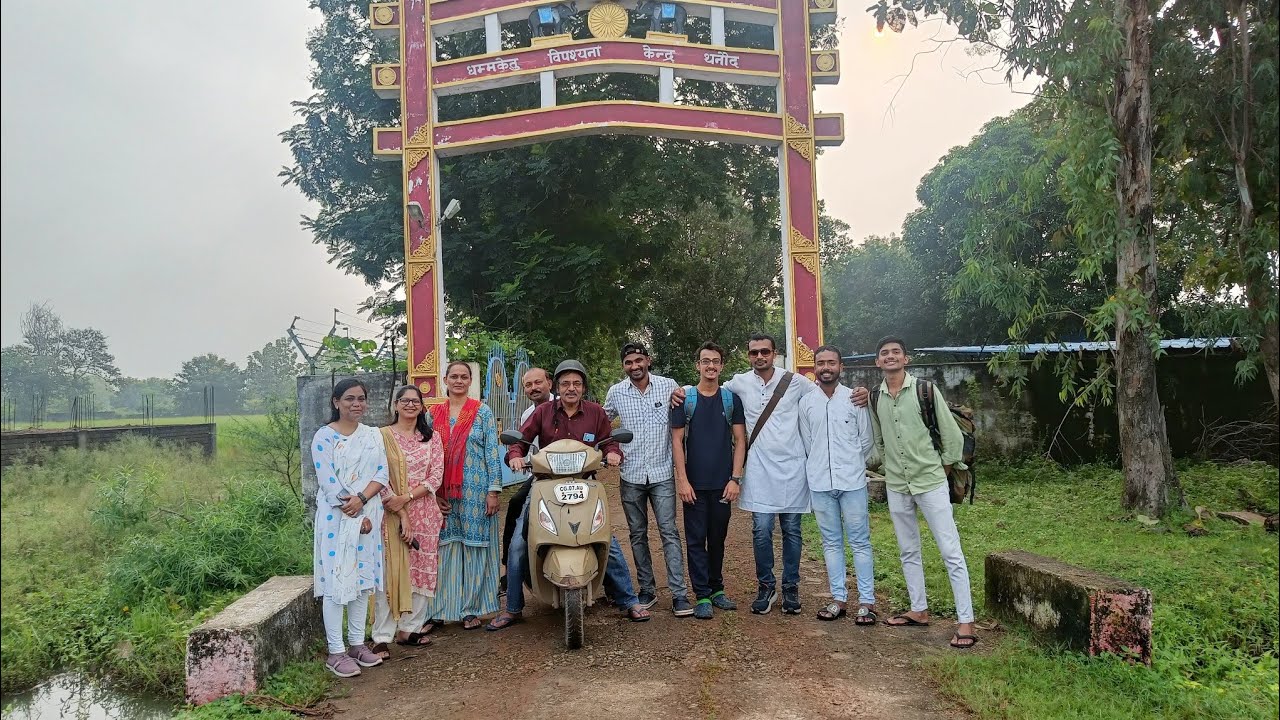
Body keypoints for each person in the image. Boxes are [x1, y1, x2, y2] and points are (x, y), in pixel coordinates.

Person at [489, 359, 652, 629]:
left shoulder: (596, 413)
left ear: (583, 387)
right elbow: (520, 440)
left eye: (576, 383)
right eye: (565, 383)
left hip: (584, 484)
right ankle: (514, 608)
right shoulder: (542, 412)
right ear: (558, 387)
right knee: (519, 544)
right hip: (545, 485)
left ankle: (628, 600)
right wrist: (516, 456)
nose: (571, 388)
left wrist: (613, 452)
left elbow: (609, 440)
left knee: (605, 538)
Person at [676, 332, 814, 615]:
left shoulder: (795, 382)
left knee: (791, 531)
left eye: (765, 352)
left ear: (774, 353)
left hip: (789, 470)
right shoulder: (736, 385)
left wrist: (860, 393)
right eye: (754, 353)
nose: (760, 357)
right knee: (760, 531)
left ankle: (789, 589)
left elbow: (825, 395)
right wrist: (678, 391)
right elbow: (684, 427)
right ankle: (762, 588)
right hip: (755, 472)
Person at [869, 336, 977, 649]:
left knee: (950, 550)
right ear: (878, 362)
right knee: (908, 549)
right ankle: (919, 610)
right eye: (884, 354)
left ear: (906, 359)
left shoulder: (924, 390)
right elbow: (879, 441)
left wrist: (942, 471)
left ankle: (966, 621)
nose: (890, 357)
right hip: (898, 484)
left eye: (895, 352)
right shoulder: (876, 395)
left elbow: (952, 437)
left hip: (930, 482)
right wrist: (887, 471)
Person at [604, 342, 692, 616]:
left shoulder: (668, 386)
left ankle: (679, 594)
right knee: (637, 534)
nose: (634, 366)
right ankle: (647, 590)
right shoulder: (616, 393)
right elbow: (602, 423)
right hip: (630, 475)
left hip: (662, 472)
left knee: (669, 532)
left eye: (639, 360)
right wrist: (613, 449)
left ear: (648, 361)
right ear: (624, 366)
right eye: (629, 362)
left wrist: (684, 393)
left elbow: (686, 402)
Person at [311, 378, 388, 677]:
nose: (356, 404)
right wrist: (353, 508)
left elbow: (382, 472)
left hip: (369, 512)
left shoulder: (372, 435)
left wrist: (363, 500)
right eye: (349, 399)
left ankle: (357, 644)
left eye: (361, 399)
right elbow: (327, 480)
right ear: (336, 402)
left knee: (362, 581)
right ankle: (336, 651)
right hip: (337, 518)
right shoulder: (324, 437)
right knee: (335, 582)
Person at [420, 361, 504, 631]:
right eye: (453, 376)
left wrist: (494, 490)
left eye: (464, 377)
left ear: (470, 381)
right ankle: (441, 609)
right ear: (445, 379)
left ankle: (471, 609)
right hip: (443, 493)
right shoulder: (433, 414)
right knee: (445, 549)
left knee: (475, 548)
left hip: (476, 492)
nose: (458, 380)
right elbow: (427, 456)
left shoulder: (482, 412)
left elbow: (492, 452)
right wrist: (432, 494)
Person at [798, 346, 877, 624]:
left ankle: (867, 601)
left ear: (840, 367)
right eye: (821, 363)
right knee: (831, 543)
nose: (826, 367)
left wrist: (850, 464)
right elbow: (808, 443)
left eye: (831, 362)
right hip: (820, 482)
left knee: (860, 542)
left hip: (852, 481)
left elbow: (865, 440)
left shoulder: (854, 399)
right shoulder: (807, 402)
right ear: (815, 368)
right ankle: (838, 599)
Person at [670, 341, 746, 619]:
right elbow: (677, 441)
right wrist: (682, 480)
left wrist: (735, 478)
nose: (710, 366)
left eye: (715, 361)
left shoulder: (730, 400)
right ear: (698, 365)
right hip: (695, 484)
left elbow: (740, 440)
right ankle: (701, 594)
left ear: (721, 366)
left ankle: (716, 589)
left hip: (723, 483)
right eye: (705, 361)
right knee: (695, 540)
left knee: (718, 538)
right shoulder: (685, 399)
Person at [370, 385, 445, 656]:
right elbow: (377, 474)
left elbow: (436, 475)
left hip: (424, 512)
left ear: (422, 407)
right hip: (389, 513)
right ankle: (381, 635)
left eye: (416, 401)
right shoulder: (381, 437)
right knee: (391, 572)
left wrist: (408, 497)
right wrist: (398, 504)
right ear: (396, 405)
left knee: (421, 572)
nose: (410, 405)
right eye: (405, 401)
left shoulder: (431, 438)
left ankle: (409, 630)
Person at [500, 367, 553, 585]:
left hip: (573, 475)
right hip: (540, 475)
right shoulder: (527, 415)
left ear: (549, 382)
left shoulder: (565, 406)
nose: (534, 388)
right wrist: (517, 457)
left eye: (538, 382)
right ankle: (509, 571)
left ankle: (614, 585)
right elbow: (522, 445)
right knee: (515, 505)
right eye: (528, 385)